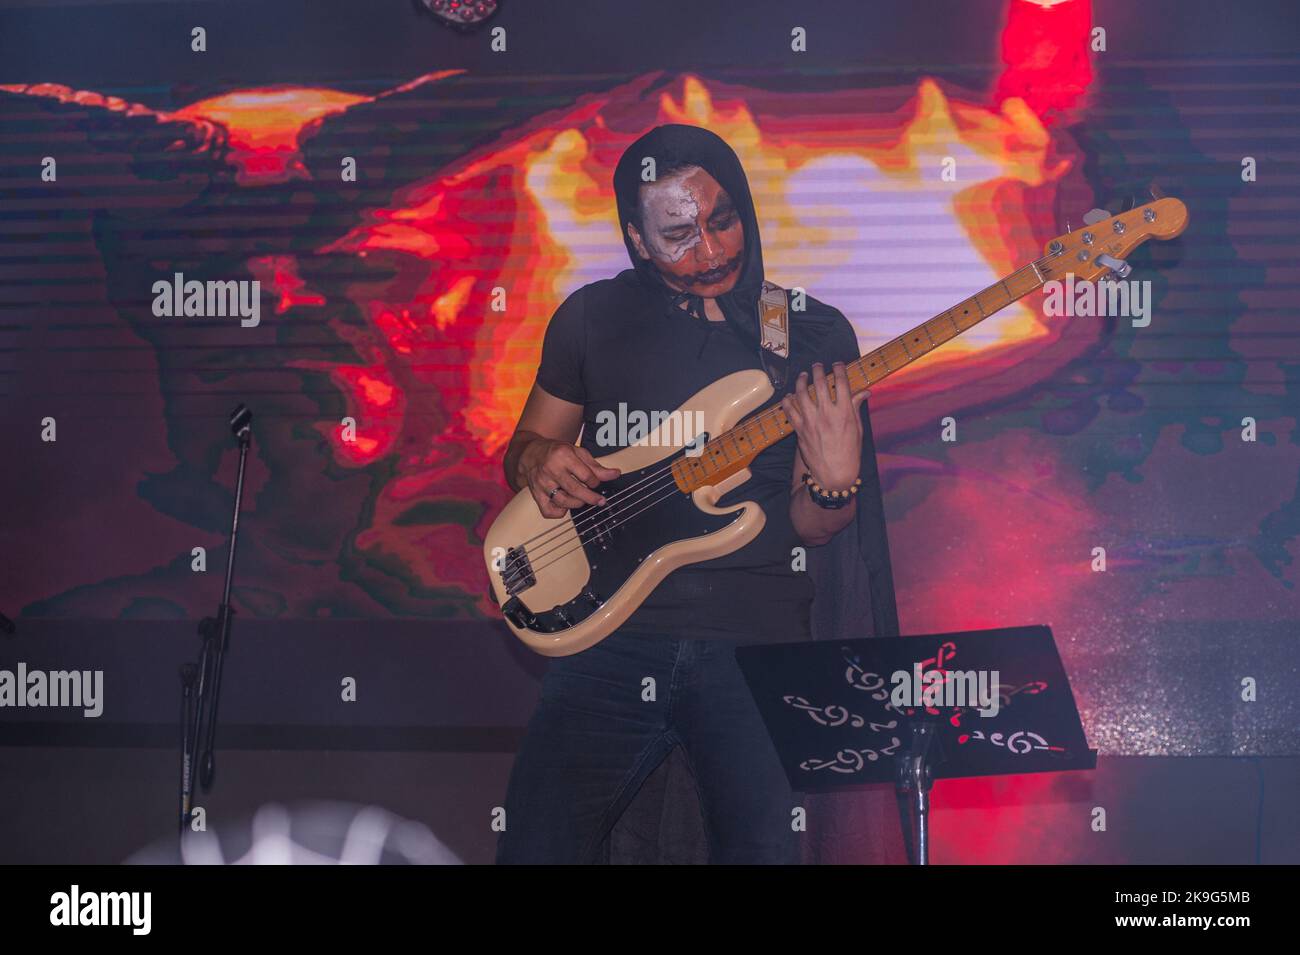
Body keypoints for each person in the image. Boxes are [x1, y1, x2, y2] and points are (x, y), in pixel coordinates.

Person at [495, 123, 888, 864]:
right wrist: (540, 458)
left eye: (723, 220)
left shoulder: (811, 333)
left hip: (756, 640)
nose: (710, 252)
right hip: (605, 634)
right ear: (637, 242)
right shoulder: (590, 319)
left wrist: (837, 484)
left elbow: (815, 525)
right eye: (677, 235)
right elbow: (522, 450)